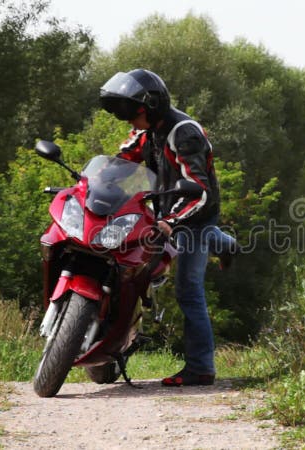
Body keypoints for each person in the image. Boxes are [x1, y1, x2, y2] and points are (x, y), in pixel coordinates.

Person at [99, 68, 236, 386]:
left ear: (149, 109)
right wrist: (93, 184)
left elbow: (199, 190)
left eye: (132, 114)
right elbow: (123, 160)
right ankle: (225, 243)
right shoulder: (147, 131)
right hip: (165, 211)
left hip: (193, 215)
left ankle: (201, 368)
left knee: (188, 290)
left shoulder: (184, 133)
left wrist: (171, 221)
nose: (127, 121)